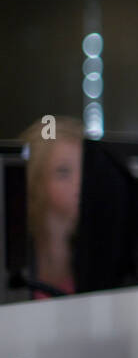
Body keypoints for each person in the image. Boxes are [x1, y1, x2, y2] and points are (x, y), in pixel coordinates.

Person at [17, 115, 83, 297]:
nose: (80, 182)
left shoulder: (98, 257)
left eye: (85, 169)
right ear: (35, 182)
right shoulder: (15, 265)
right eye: (63, 172)